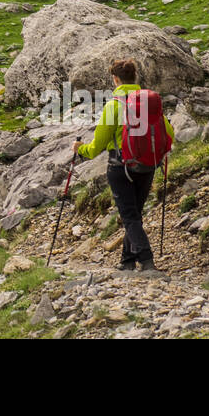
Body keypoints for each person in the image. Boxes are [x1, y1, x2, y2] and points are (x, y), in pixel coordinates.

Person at [73, 58, 174, 275]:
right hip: (148, 165)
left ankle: (147, 262)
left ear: (115, 79)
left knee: (129, 216)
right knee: (135, 214)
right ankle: (127, 261)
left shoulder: (114, 106)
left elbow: (96, 146)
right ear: (135, 78)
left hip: (121, 167)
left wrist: (80, 149)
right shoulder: (150, 103)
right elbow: (170, 134)